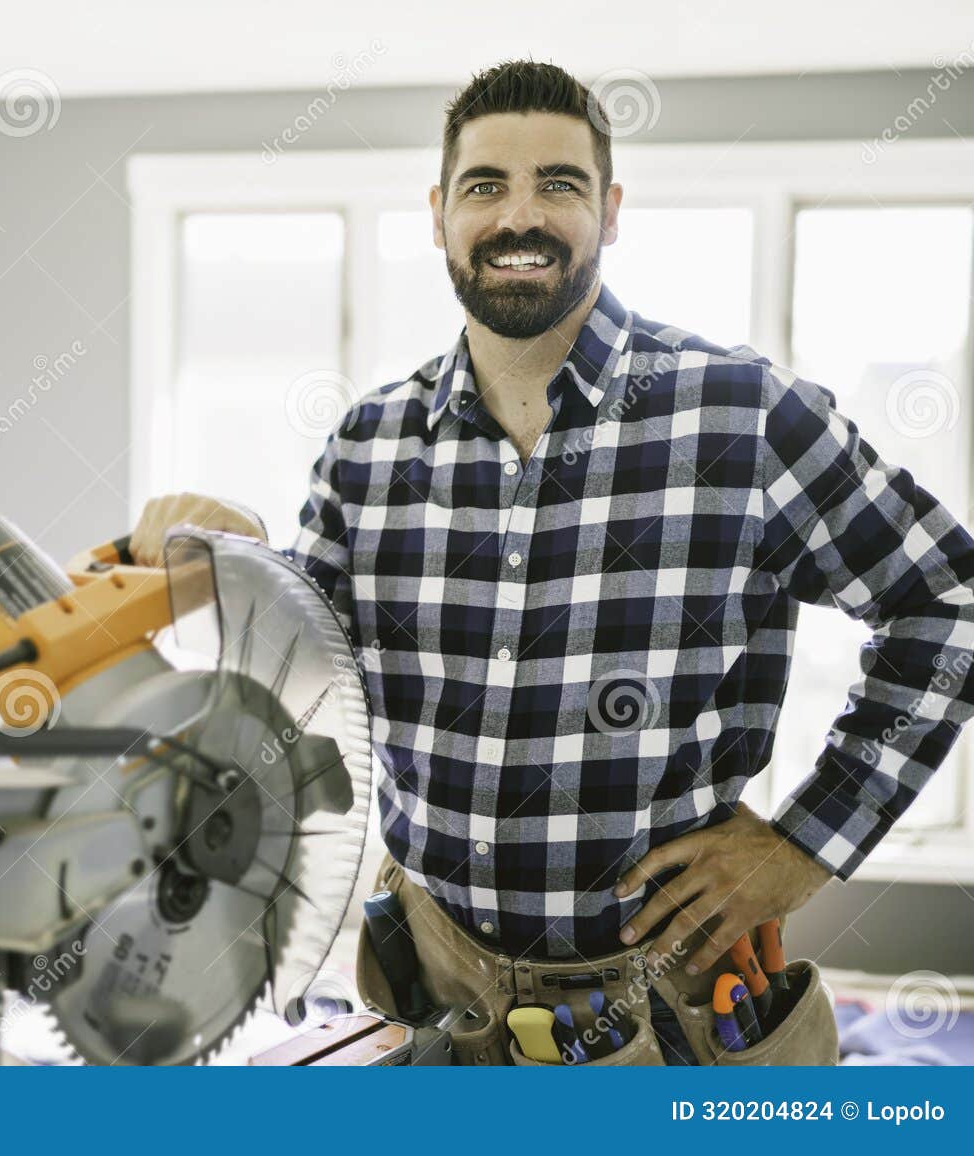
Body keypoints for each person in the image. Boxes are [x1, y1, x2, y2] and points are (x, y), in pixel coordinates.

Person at [129, 59, 974, 1065]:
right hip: (433, 997)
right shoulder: (367, 449)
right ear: (439, 212)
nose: (518, 216)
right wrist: (235, 553)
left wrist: (804, 846)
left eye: (558, 185)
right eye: (485, 185)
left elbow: (946, 600)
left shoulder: (742, 417)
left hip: (670, 1015)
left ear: (609, 212)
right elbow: (309, 700)